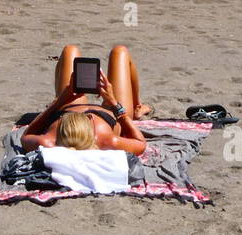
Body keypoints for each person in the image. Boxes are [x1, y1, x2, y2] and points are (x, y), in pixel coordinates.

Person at [21, 45, 152, 156]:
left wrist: (59, 101)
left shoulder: (49, 142)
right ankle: (137, 106)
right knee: (120, 51)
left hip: (68, 106)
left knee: (70, 50)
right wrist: (114, 103)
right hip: (113, 112)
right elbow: (141, 143)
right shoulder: (108, 141)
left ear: (61, 124)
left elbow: (26, 135)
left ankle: (67, 99)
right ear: (90, 119)